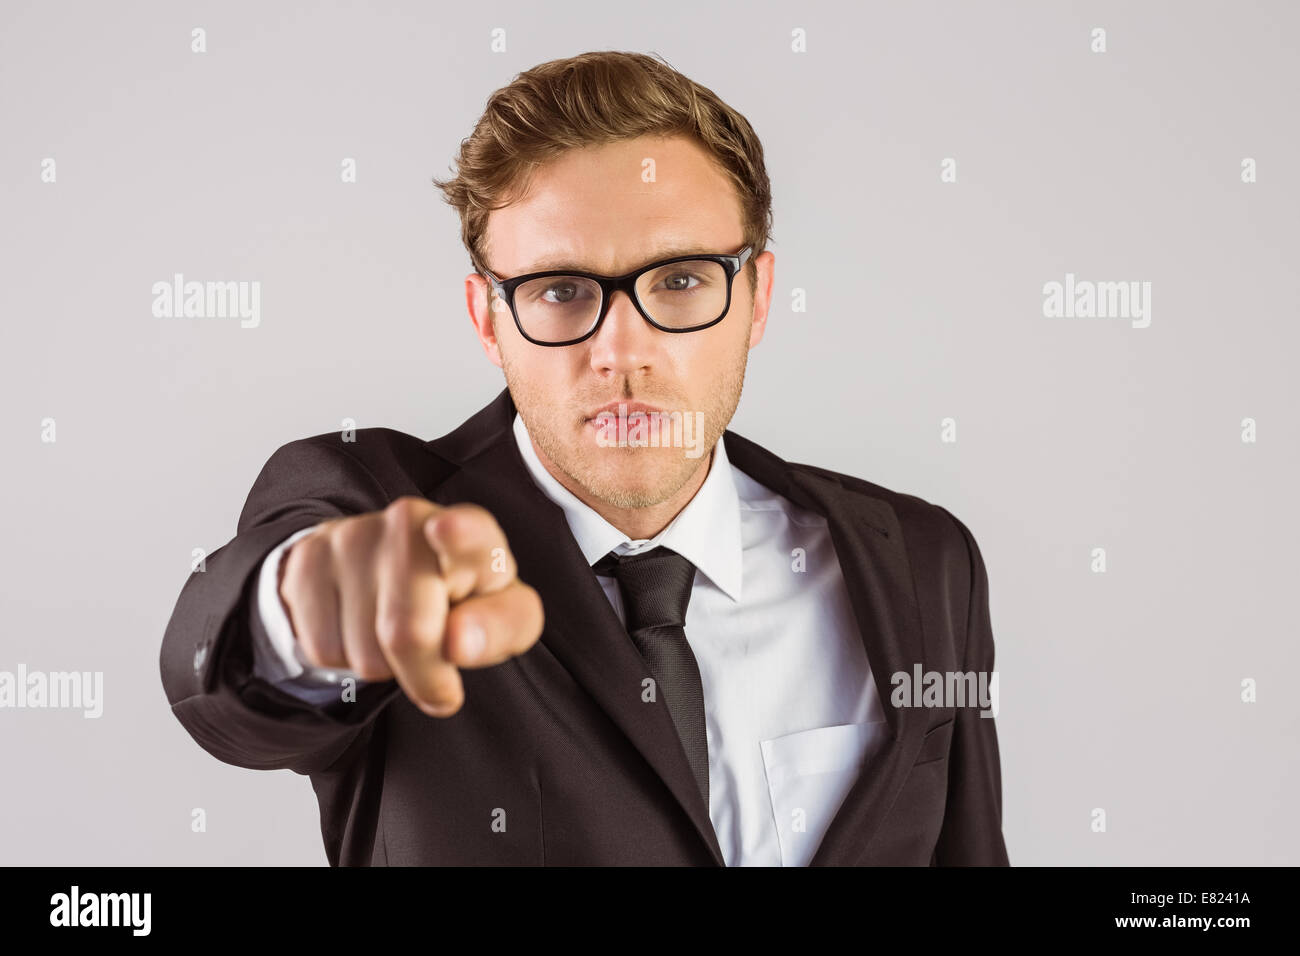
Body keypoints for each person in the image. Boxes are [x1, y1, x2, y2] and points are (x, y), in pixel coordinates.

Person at [159, 50, 1010, 867]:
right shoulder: (379, 513)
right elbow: (228, 678)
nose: (622, 350)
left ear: (757, 299)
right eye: (561, 292)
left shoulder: (923, 560)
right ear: (487, 319)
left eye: (679, 280)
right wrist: (303, 618)